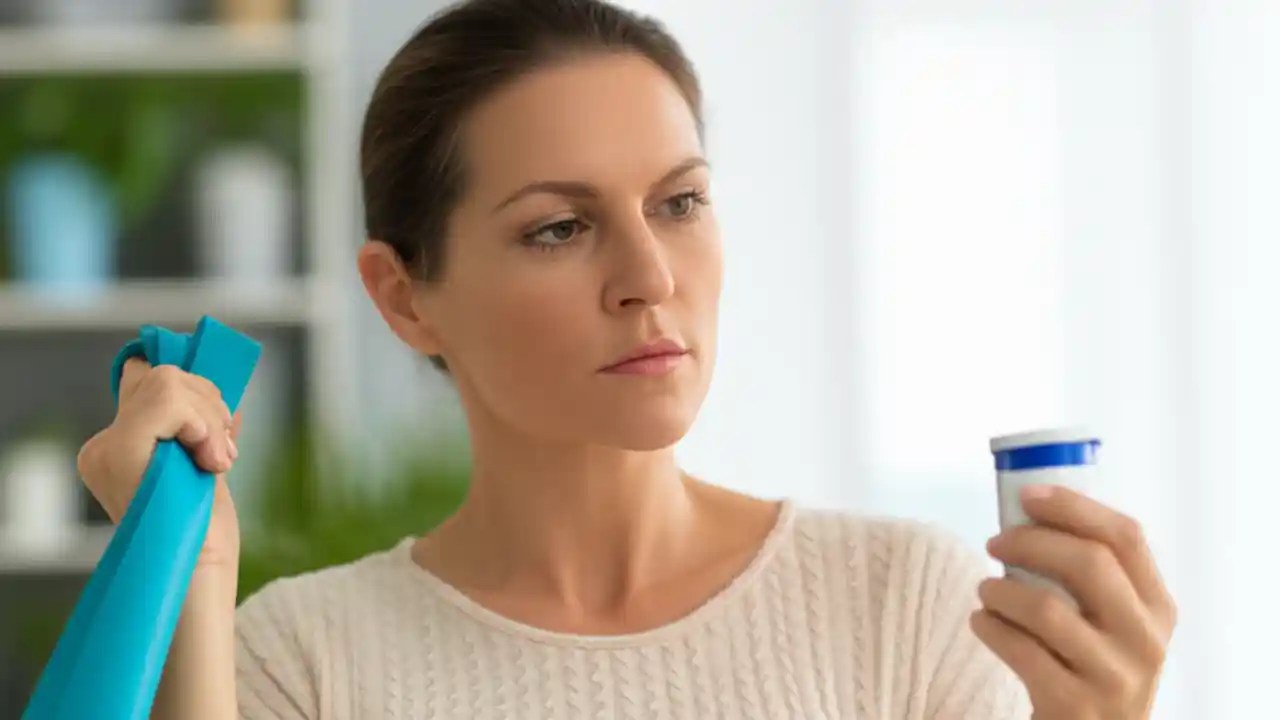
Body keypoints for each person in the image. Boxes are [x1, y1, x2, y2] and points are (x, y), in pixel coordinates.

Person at [75, 0, 1176, 718]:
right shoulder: (301, 660)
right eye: (558, 226)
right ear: (405, 297)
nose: (648, 273)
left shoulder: (903, 607)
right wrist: (193, 571)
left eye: (680, 202)